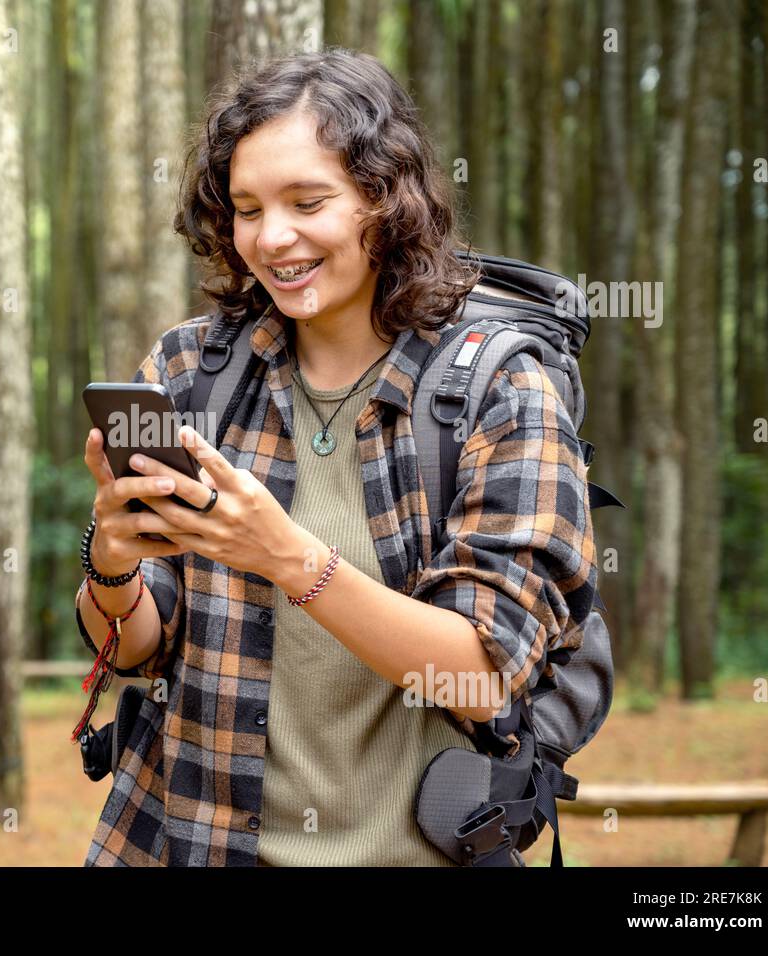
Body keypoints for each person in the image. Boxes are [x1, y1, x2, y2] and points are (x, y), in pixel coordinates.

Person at [75, 47, 597, 866]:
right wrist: (112, 562)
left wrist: (286, 558)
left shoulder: (501, 387)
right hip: (188, 845)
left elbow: (485, 673)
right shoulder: (188, 372)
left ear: (385, 200)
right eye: (246, 209)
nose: (271, 237)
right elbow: (141, 645)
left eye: (307, 201)